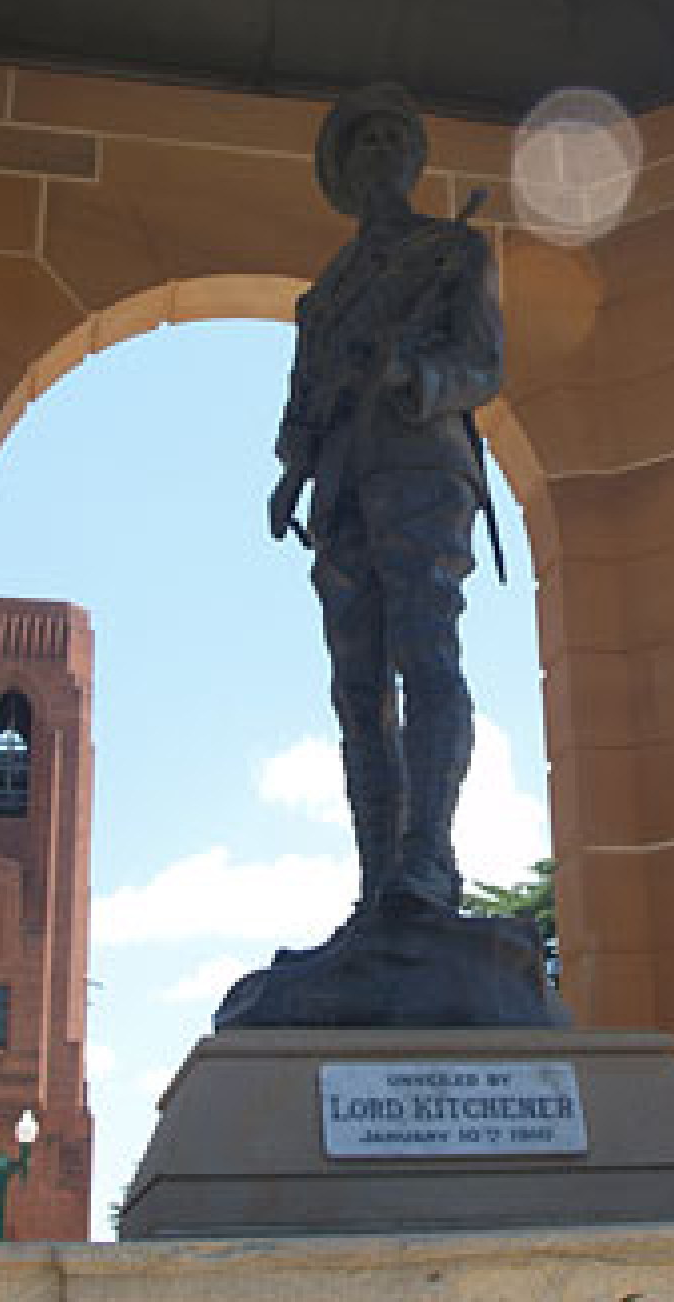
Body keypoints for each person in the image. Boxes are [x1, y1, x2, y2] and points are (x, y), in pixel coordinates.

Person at [269, 82, 504, 919]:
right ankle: (381, 883)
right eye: (361, 142)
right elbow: (303, 402)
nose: (378, 153)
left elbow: (484, 364)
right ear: (345, 168)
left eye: (390, 141)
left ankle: (428, 857)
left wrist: (420, 374)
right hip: (339, 489)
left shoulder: (454, 252)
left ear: (410, 161)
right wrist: (292, 474)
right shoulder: (322, 299)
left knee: (424, 648)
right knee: (356, 687)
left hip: (418, 467)